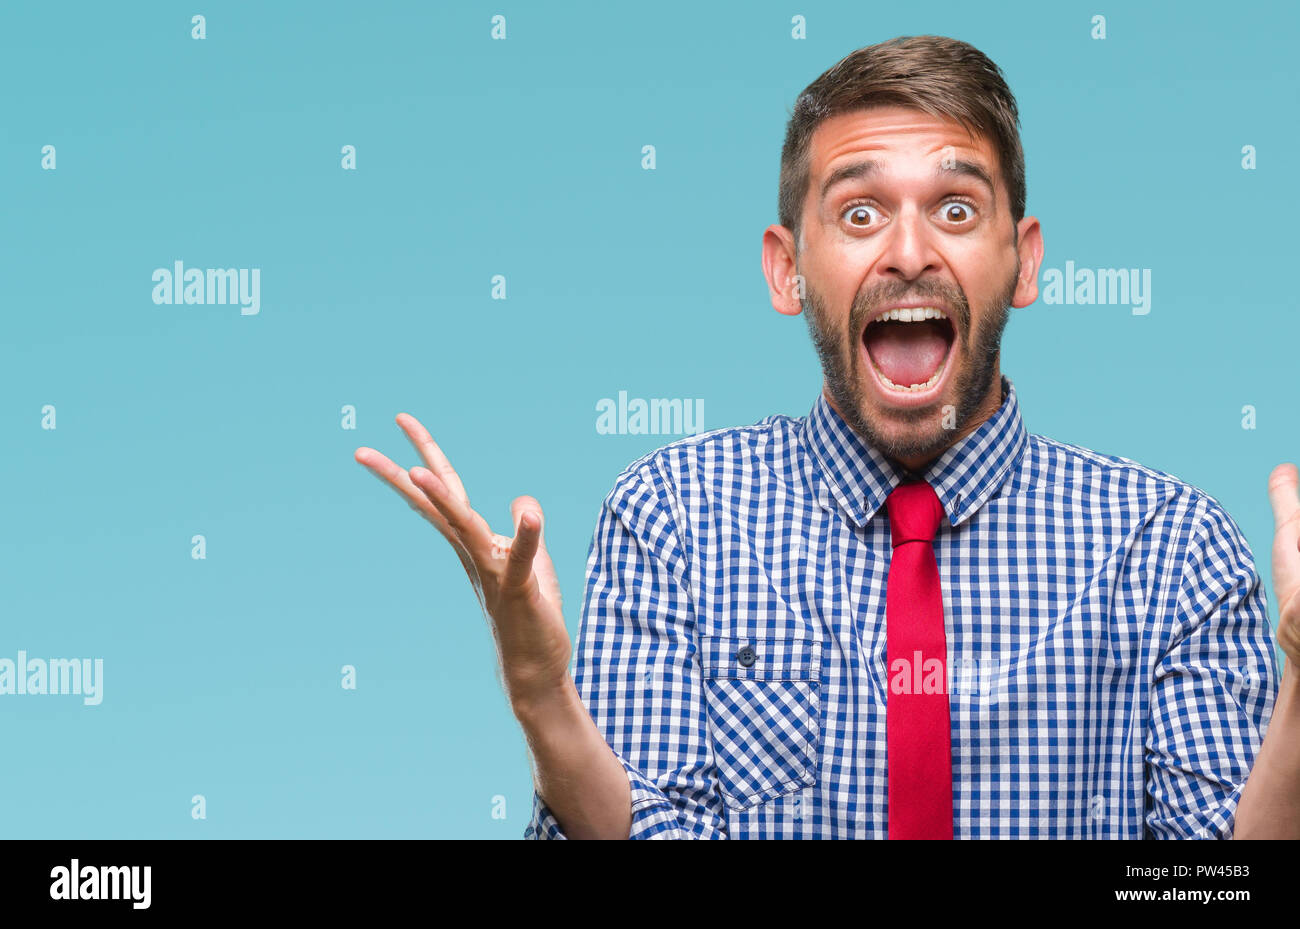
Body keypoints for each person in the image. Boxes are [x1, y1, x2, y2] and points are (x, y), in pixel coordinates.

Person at [355, 35, 1300, 839]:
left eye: (958, 209)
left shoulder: (1171, 545)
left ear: (1025, 258)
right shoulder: (676, 518)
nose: (908, 250)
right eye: (858, 212)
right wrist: (540, 694)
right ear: (787, 269)